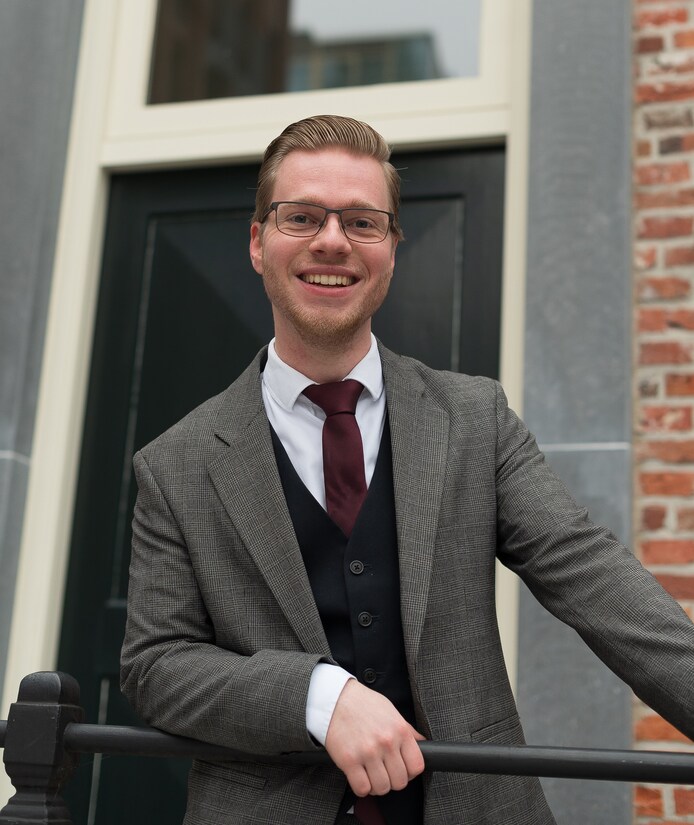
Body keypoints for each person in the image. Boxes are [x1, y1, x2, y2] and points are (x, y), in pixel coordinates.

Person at [120, 114, 694, 825]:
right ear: (258, 243)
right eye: (302, 216)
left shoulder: (474, 418)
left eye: (362, 221)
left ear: (392, 248)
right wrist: (316, 696)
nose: (332, 240)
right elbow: (156, 664)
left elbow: (591, 574)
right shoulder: (176, 463)